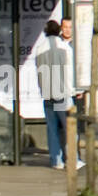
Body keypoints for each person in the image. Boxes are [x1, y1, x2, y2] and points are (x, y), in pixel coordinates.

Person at [34, 19, 83, 171]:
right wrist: (74, 91)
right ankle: (73, 160)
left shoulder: (40, 49)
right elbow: (69, 73)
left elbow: (39, 71)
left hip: (47, 94)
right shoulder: (64, 48)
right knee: (70, 128)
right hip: (62, 94)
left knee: (52, 129)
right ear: (59, 31)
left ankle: (56, 160)